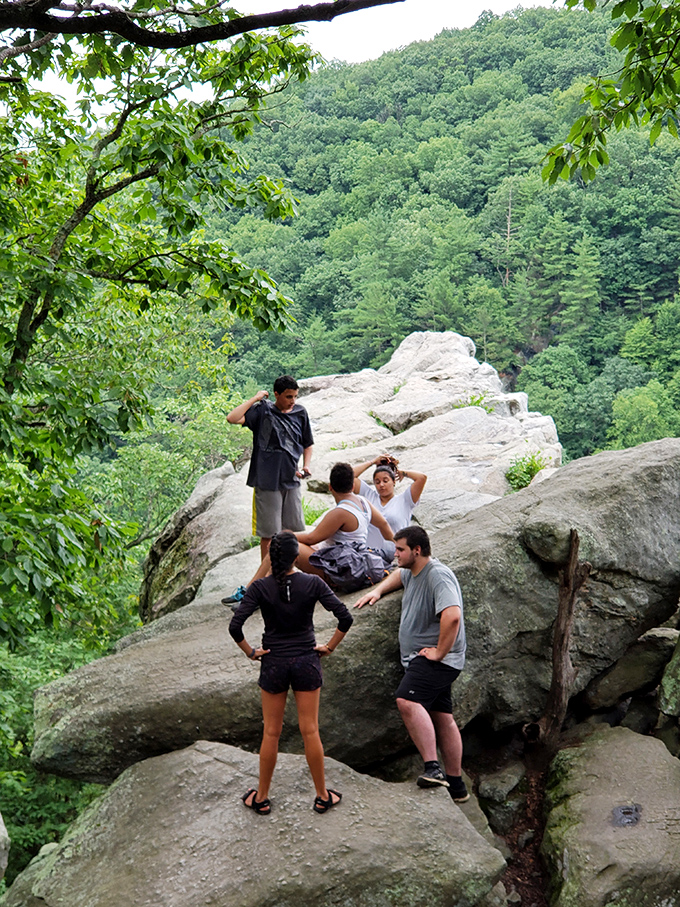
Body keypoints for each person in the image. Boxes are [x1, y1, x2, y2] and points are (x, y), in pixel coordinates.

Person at [229, 530, 352, 815]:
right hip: (306, 661)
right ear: (297, 555)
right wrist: (329, 647)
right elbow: (345, 617)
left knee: (271, 732)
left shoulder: (259, 588)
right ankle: (322, 795)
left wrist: (251, 652)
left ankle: (261, 797)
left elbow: (235, 626)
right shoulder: (313, 583)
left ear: (271, 557)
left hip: (273, 662)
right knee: (310, 730)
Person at [354, 526, 469, 803]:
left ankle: (433, 769)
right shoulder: (411, 570)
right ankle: (457, 786)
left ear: (417, 551)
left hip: (435, 660)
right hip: (427, 658)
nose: (395, 555)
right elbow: (399, 575)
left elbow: (452, 616)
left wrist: (439, 653)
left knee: (406, 701)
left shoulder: (438, 575)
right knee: (443, 717)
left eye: (400, 550)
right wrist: (379, 591)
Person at [224, 375, 313, 604]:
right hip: (266, 480)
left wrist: (306, 466)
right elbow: (232, 418)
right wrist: (255, 398)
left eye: (295, 396)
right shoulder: (262, 412)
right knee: (269, 533)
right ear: (276, 394)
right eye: (288, 396)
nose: (292, 401)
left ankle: (288, 575)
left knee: (291, 531)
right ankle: (269, 580)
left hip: (291, 480)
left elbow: (307, 443)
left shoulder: (300, 413)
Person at [250, 462, 394, 592]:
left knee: (281, 543)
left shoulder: (340, 513)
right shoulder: (363, 502)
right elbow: (384, 524)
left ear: (330, 487)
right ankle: (266, 585)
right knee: (286, 538)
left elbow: (312, 538)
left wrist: (281, 536)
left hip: (337, 571)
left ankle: (252, 590)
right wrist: (397, 547)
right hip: (351, 562)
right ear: (352, 486)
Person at [353, 454, 427, 563]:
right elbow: (348, 477)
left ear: (394, 481)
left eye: (385, 480)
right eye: (377, 482)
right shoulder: (369, 495)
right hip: (369, 558)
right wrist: (372, 462)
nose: (381, 485)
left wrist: (402, 472)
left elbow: (422, 478)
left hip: (396, 559)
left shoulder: (405, 500)